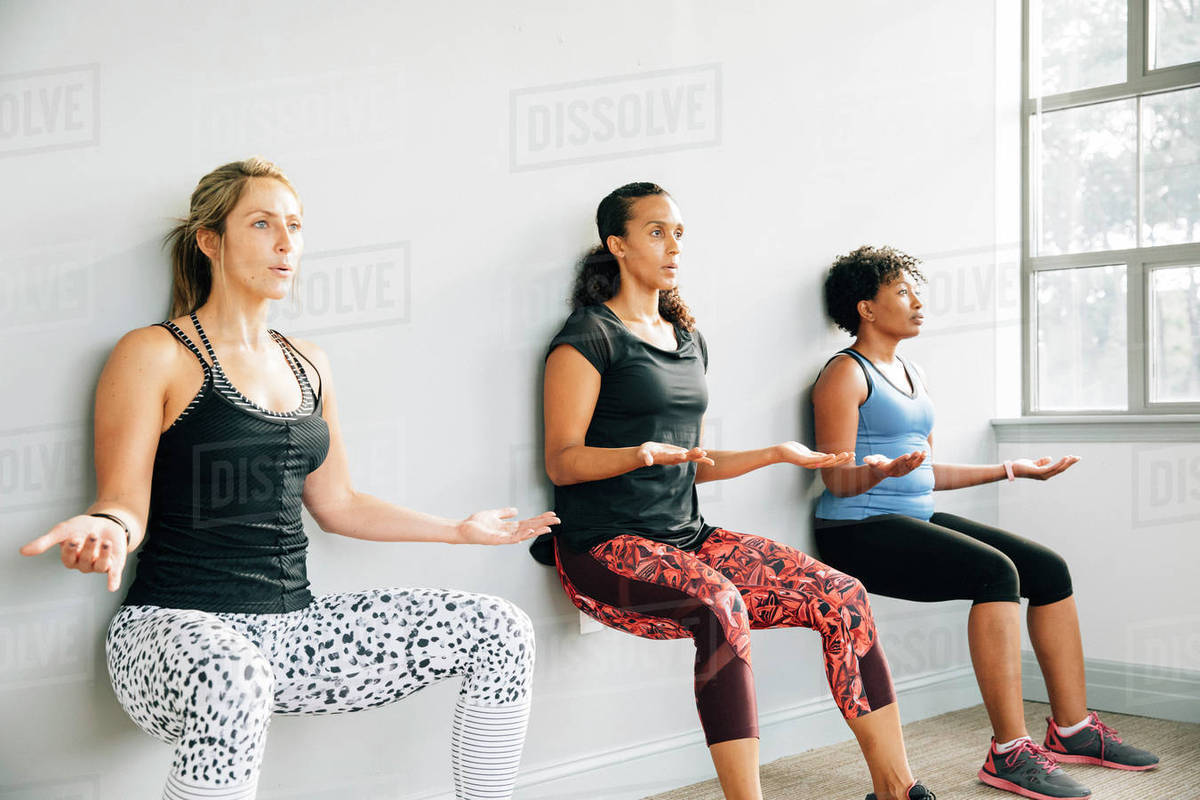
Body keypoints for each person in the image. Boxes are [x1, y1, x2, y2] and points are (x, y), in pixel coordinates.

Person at [19, 157, 558, 800]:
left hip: (293, 632)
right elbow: (122, 502)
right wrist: (106, 526)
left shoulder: (309, 362)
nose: (285, 242)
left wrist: (457, 531)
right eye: (262, 223)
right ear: (210, 240)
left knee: (501, 629)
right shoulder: (155, 353)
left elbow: (339, 503)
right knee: (236, 673)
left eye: (295, 226)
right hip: (172, 631)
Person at [539, 182, 935, 800]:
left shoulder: (687, 340)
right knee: (720, 603)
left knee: (842, 595)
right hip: (602, 547)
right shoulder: (589, 336)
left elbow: (694, 464)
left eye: (678, 233)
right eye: (655, 232)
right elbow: (562, 463)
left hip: (687, 538)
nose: (673, 246)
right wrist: (640, 453)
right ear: (617, 244)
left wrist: (776, 453)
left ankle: (896, 788)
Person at [810, 245, 1159, 800]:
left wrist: (1011, 469)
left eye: (914, 291)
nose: (917, 302)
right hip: (856, 531)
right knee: (997, 573)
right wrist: (879, 472)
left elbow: (927, 472)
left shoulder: (912, 373)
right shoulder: (844, 374)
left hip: (913, 517)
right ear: (866, 309)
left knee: (1047, 569)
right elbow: (834, 479)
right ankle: (1009, 753)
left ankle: (1073, 730)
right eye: (902, 292)